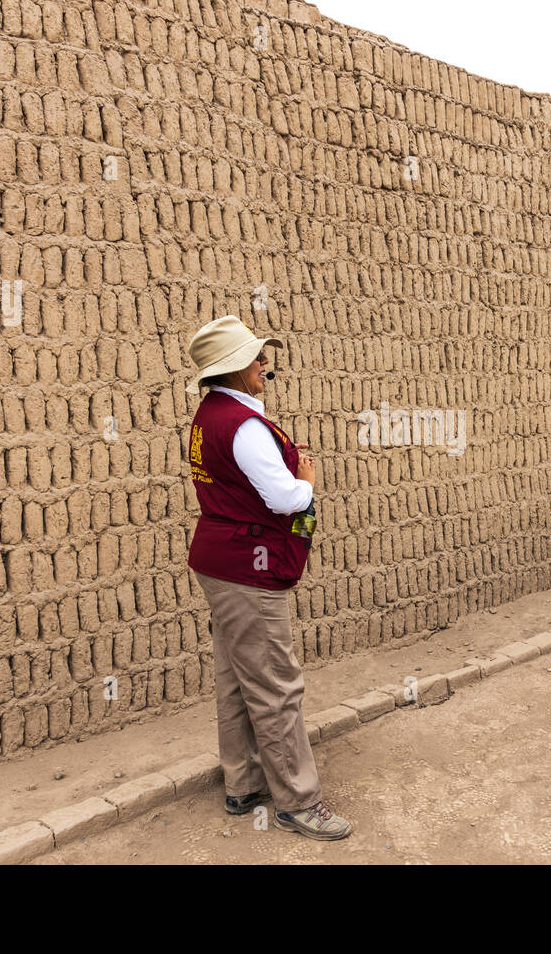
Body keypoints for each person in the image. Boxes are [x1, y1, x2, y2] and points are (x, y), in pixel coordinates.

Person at [184, 314, 352, 841]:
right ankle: (298, 802)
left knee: (237, 679)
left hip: (219, 561)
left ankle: (244, 784)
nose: (264, 364)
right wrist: (307, 483)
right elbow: (283, 498)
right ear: (235, 369)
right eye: (257, 357)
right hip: (248, 569)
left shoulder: (209, 416)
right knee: (277, 684)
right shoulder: (244, 427)